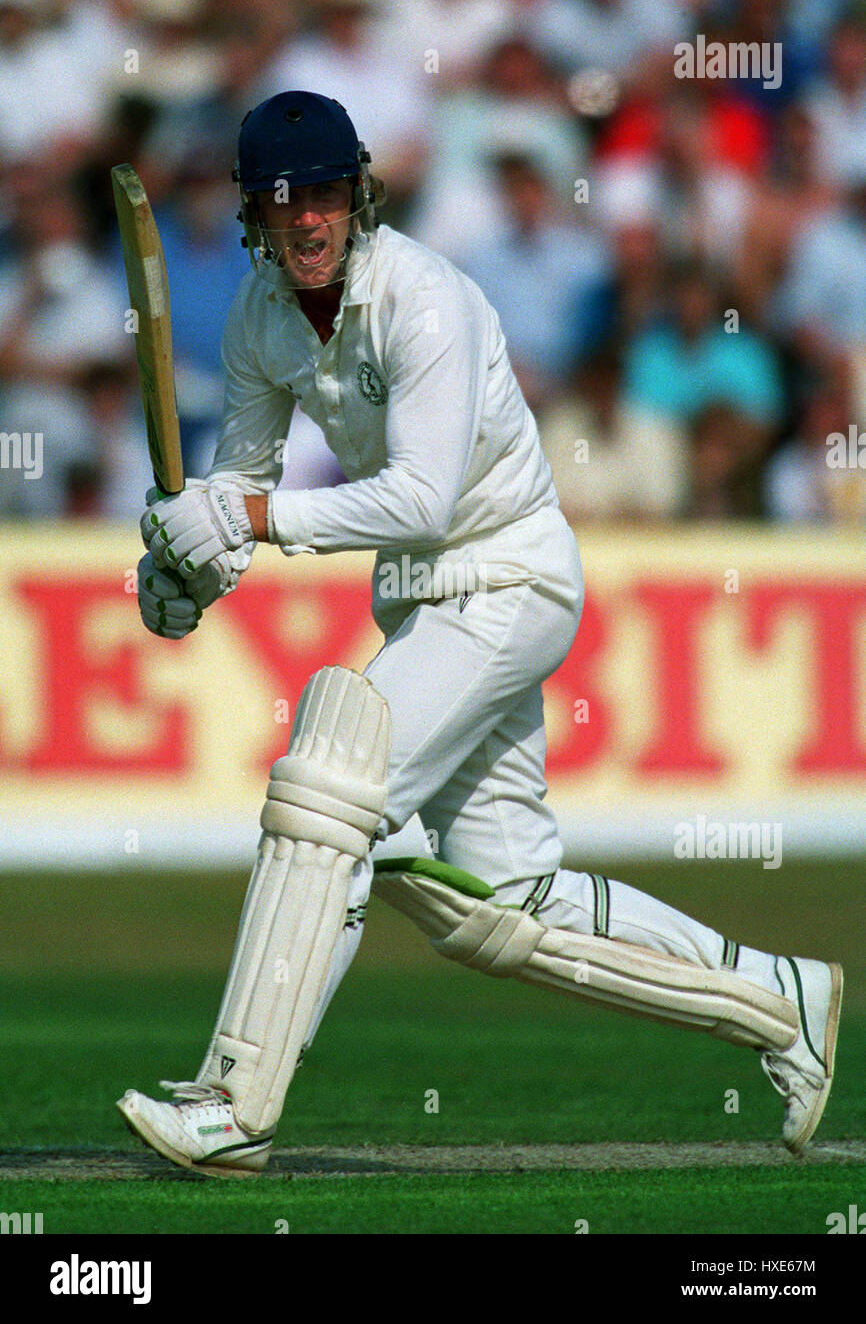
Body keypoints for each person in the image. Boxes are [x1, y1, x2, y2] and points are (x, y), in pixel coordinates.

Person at [116, 91, 842, 1177]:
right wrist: (183, 574)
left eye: (322, 195)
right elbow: (238, 492)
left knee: (329, 784)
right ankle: (776, 995)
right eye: (281, 204)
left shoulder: (425, 298)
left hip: (506, 574)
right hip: (422, 600)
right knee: (499, 904)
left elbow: (415, 498)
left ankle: (235, 1100)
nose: (305, 221)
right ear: (251, 218)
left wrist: (246, 520)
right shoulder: (262, 319)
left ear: (355, 195)